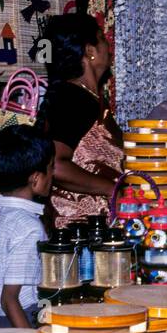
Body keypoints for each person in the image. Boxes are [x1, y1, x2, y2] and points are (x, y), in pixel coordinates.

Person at [36, 13, 122, 228]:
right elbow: (54, 165)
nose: (108, 46)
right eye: (102, 38)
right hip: (78, 225)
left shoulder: (85, 98)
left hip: (94, 223)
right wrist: (112, 189)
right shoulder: (73, 98)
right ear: (90, 51)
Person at [0, 125, 53, 329]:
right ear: (35, 179)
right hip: (18, 320)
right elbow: (9, 300)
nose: (53, 174)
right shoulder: (29, 227)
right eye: (51, 167)